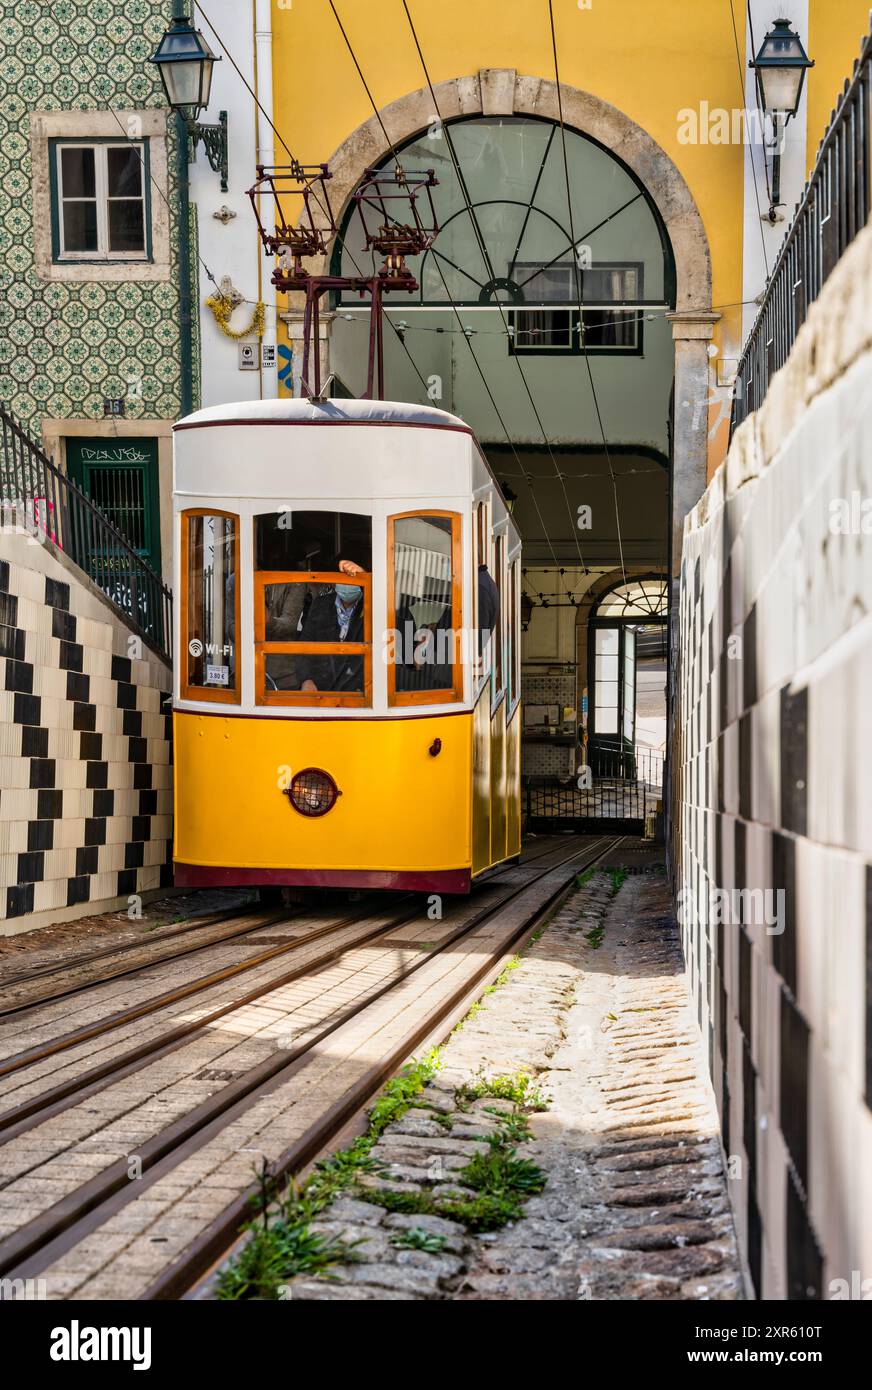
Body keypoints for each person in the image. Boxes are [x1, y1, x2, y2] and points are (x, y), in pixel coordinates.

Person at [297, 558, 366, 693]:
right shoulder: (320, 604)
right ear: (333, 581)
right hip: (322, 690)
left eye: (353, 577)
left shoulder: (371, 604)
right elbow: (305, 645)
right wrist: (306, 680)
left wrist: (367, 581)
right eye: (342, 577)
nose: (347, 582)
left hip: (359, 694)